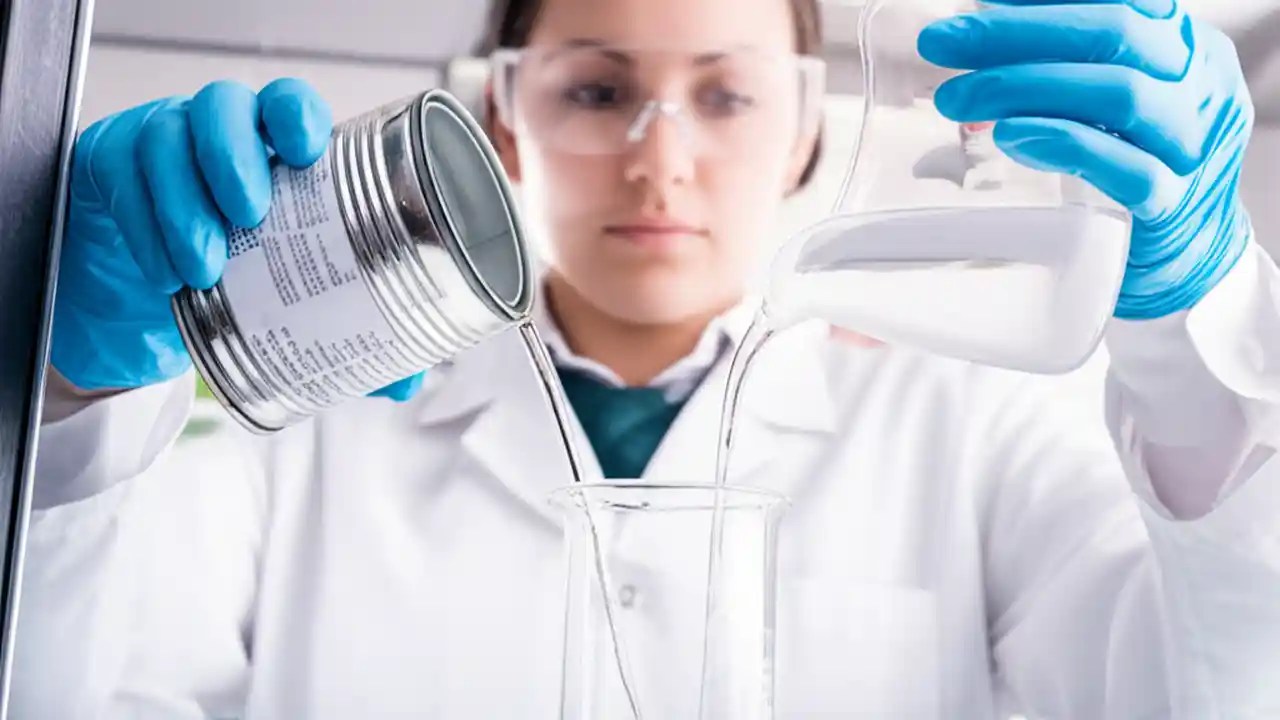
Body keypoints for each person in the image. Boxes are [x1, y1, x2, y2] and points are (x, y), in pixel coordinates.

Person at [14, 0, 1280, 716]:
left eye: (724, 96)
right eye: (596, 91)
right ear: (503, 117)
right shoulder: (305, 431)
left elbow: (1201, 689)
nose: (658, 159)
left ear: (800, 137)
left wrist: (1201, 330)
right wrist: (60, 394)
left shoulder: (975, 431)